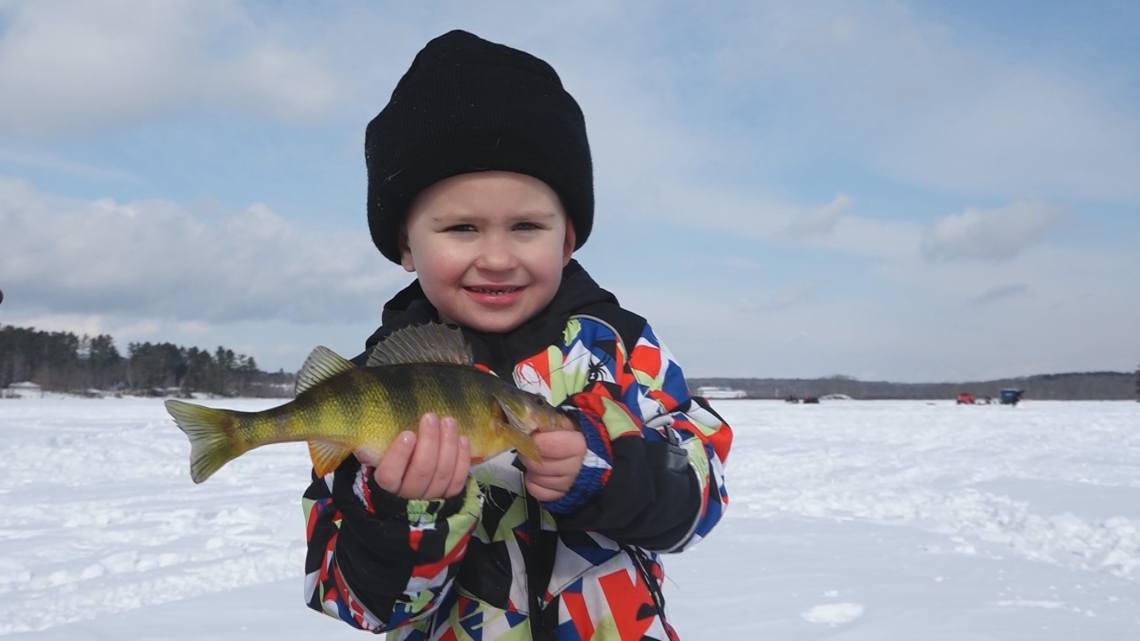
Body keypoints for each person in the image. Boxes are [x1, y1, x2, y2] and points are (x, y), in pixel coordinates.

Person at [302, 29, 732, 640]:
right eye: (462, 228)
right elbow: (358, 604)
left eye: (527, 225)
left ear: (568, 236)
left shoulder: (620, 352)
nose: (498, 257)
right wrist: (401, 512)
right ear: (405, 244)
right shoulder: (370, 386)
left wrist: (606, 468)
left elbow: (702, 493)